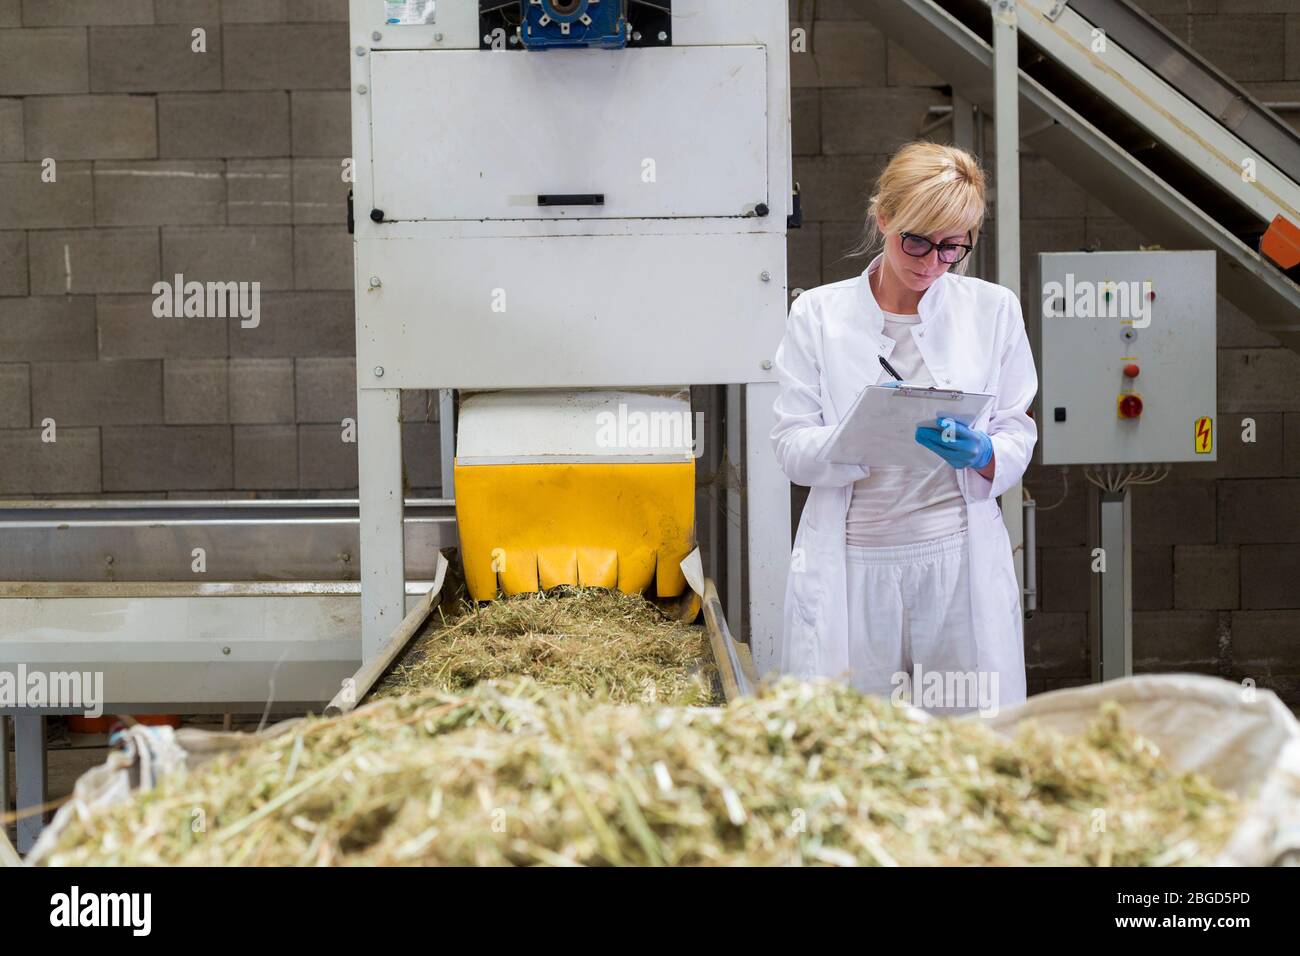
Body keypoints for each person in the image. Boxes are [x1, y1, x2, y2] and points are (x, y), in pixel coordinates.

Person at [770, 141, 1038, 715]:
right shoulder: (818, 315)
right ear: (883, 217)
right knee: (853, 746)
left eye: (951, 248)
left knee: (971, 738)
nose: (930, 262)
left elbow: (1018, 427)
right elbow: (791, 446)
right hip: (854, 562)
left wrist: (985, 452)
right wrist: (854, 439)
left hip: (957, 558)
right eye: (915, 240)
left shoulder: (993, 311)